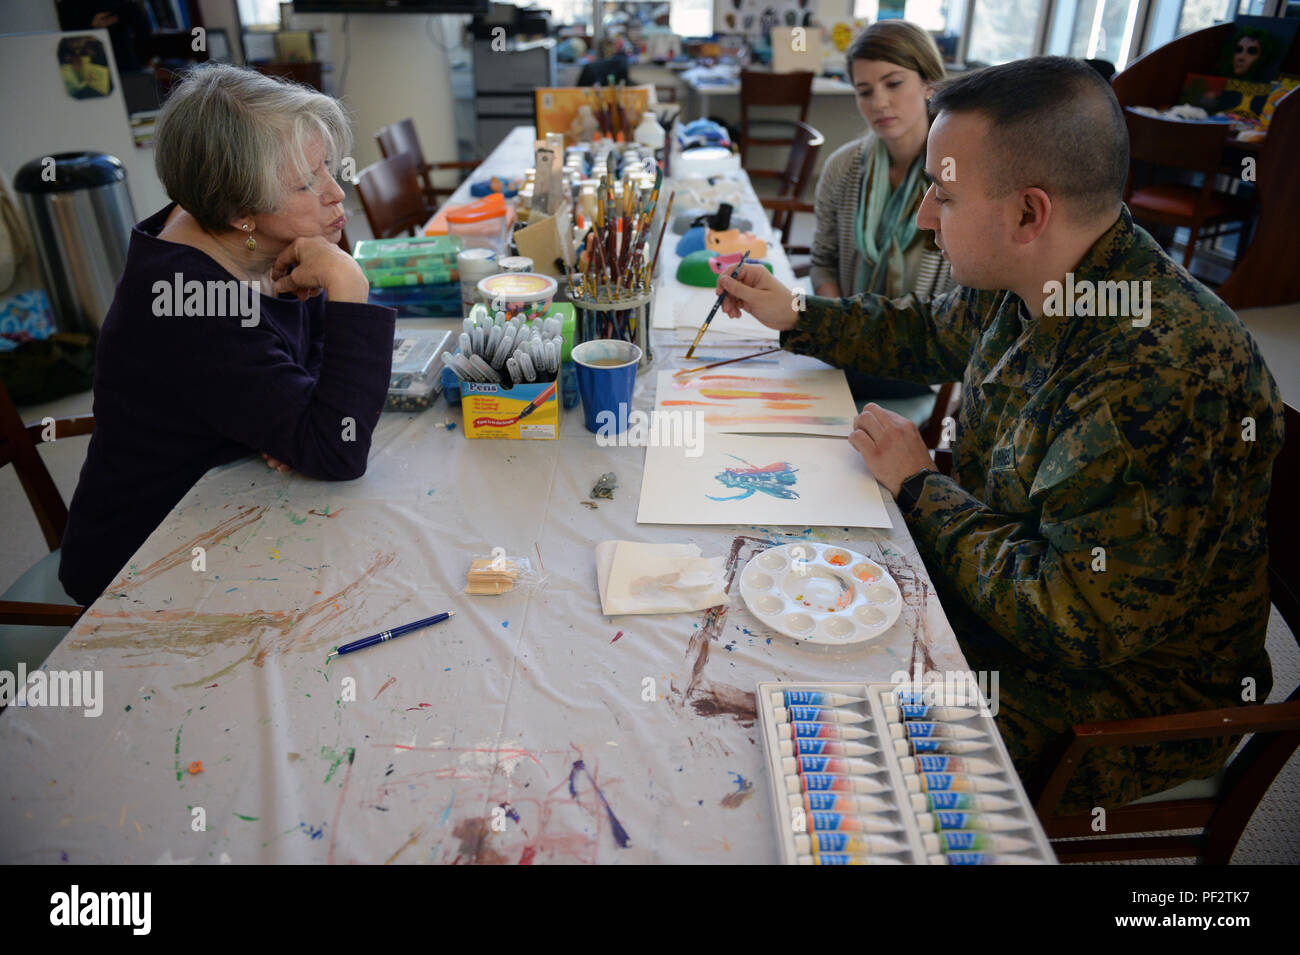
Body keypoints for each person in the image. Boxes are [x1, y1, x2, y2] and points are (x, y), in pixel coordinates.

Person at [714, 56, 1283, 811]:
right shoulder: (1046, 272)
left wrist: (921, 488)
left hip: (1122, 694)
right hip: (1015, 599)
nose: (923, 215)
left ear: (1027, 213)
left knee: (798, 731)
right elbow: (925, 333)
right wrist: (799, 316)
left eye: (943, 195)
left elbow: (1073, 620)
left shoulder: (1159, 373)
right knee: (770, 599)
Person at [59, 63, 396, 606]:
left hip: (231, 507)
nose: (336, 193)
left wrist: (294, 419)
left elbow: (307, 371)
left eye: (328, 168)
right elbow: (340, 449)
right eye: (307, 183)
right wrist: (349, 287)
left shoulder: (243, 232)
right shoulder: (188, 301)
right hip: (146, 563)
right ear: (240, 209)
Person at [811, 21, 953, 401]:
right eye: (864, 91)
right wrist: (838, 324)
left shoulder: (958, 175)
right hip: (848, 349)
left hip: (925, 362)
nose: (879, 103)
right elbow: (823, 261)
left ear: (928, 83)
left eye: (893, 83)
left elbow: (966, 303)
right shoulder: (842, 168)